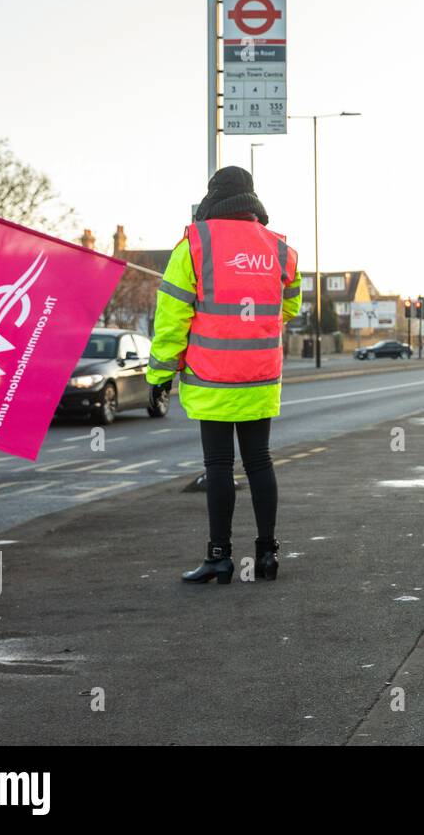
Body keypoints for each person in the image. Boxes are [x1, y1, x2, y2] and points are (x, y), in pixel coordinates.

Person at [146, 166, 302, 585]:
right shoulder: (279, 250)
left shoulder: (194, 245)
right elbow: (289, 308)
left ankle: (219, 557)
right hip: (259, 376)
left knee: (218, 465)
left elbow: (172, 318)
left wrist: (159, 373)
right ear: (251, 198)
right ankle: (267, 556)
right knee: (259, 462)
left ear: (212, 195)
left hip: (212, 377)